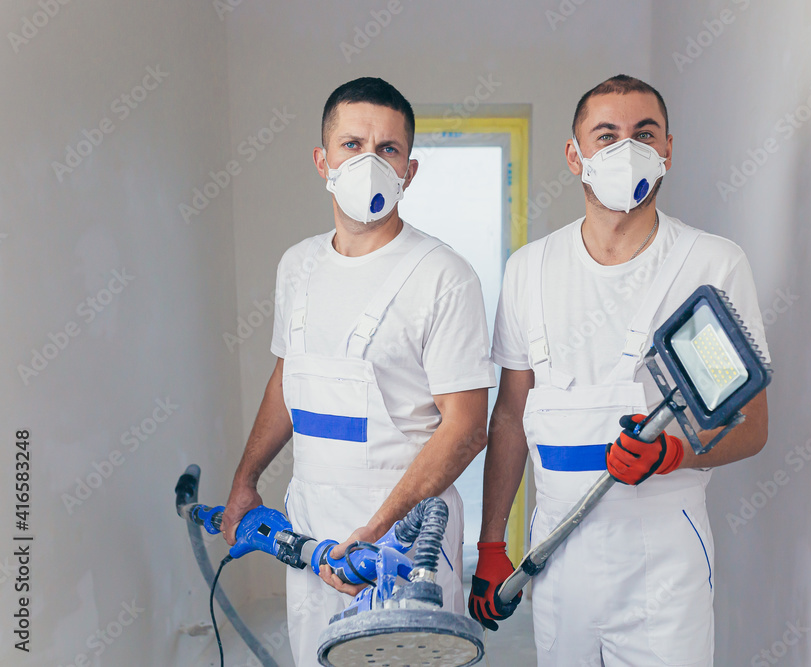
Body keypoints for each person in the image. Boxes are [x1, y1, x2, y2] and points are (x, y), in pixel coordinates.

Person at [469, 75, 770, 666]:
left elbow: (753, 426)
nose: (625, 149)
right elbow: (509, 417)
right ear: (574, 154)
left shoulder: (708, 264)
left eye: (643, 133)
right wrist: (490, 543)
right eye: (605, 136)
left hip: (663, 559)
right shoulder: (530, 270)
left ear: (667, 150)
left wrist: (674, 453)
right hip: (557, 554)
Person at [220, 77, 495, 665]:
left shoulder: (443, 276)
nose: (368, 161)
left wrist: (376, 529)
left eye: (388, 149)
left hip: (407, 538)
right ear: (323, 160)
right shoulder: (298, 265)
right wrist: (247, 479)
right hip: (313, 528)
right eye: (351, 145)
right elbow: (287, 380)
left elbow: (468, 428)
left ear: (409, 171)